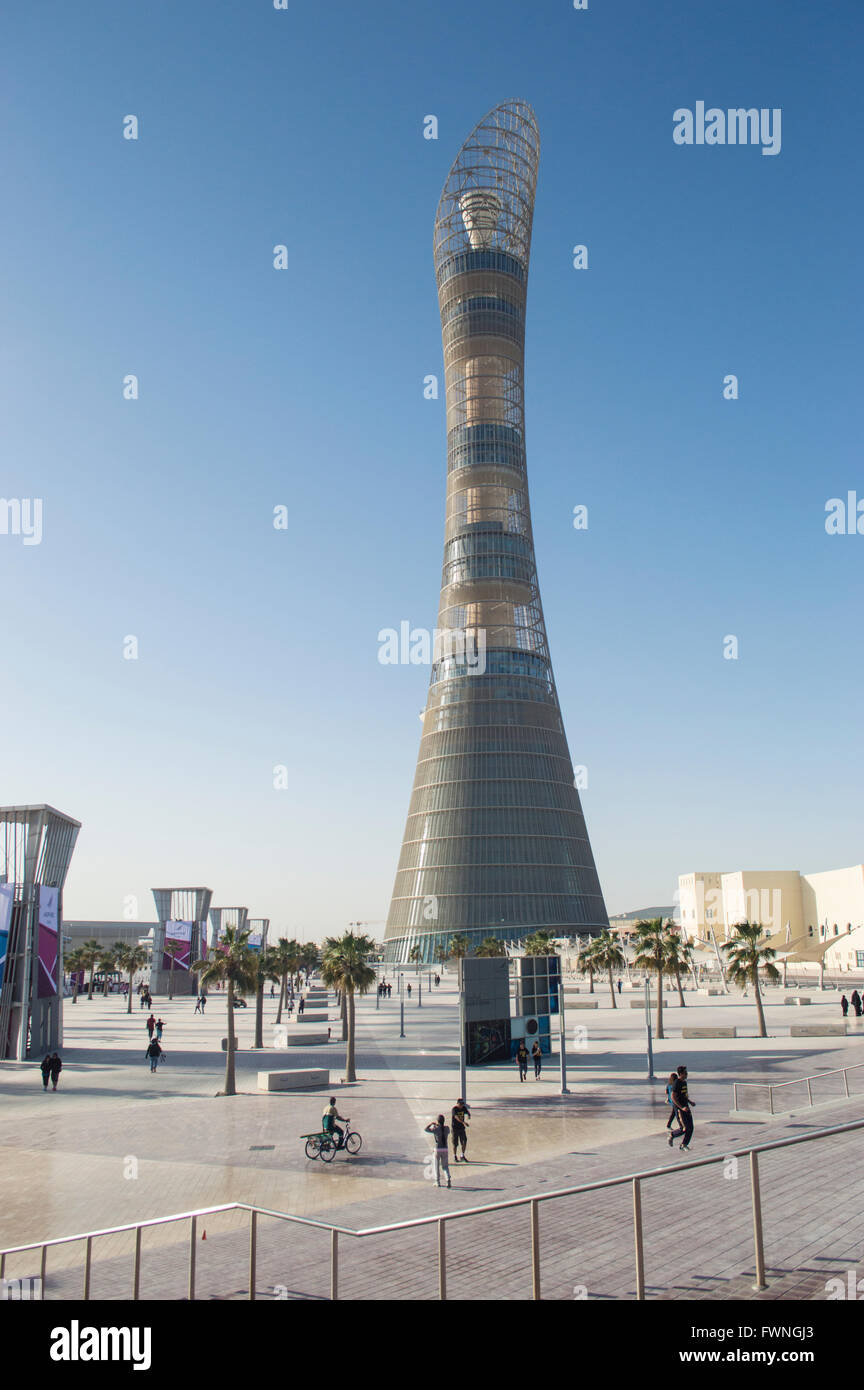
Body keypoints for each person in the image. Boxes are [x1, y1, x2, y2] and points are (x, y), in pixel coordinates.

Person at [671, 1064, 695, 1151]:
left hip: (686, 1107)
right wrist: (681, 1107)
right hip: (680, 1109)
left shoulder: (684, 1082)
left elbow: (684, 1095)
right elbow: (672, 1096)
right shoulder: (676, 1083)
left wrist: (690, 1102)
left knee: (691, 1128)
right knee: (684, 1128)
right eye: (685, 1073)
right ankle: (672, 1135)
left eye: (687, 1072)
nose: (687, 1074)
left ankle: (683, 1144)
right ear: (680, 1074)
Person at [425, 1115, 451, 1188]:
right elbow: (447, 1130)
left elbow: (426, 1129)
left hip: (438, 1149)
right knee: (445, 1166)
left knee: (436, 1165)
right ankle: (448, 1178)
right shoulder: (447, 1128)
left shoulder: (435, 1129)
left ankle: (437, 1181)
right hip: (445, 1149)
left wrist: (431, 1124)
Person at [664, 1071, 680, 1144]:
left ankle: (669, 1124)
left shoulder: (669, 1084)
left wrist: (668, 1097)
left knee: (673, 1113)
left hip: (671, 1100)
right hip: (674, 1101)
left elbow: (666, 1092)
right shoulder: (675, 1085)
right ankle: (670, 1124)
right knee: (675, 1113)